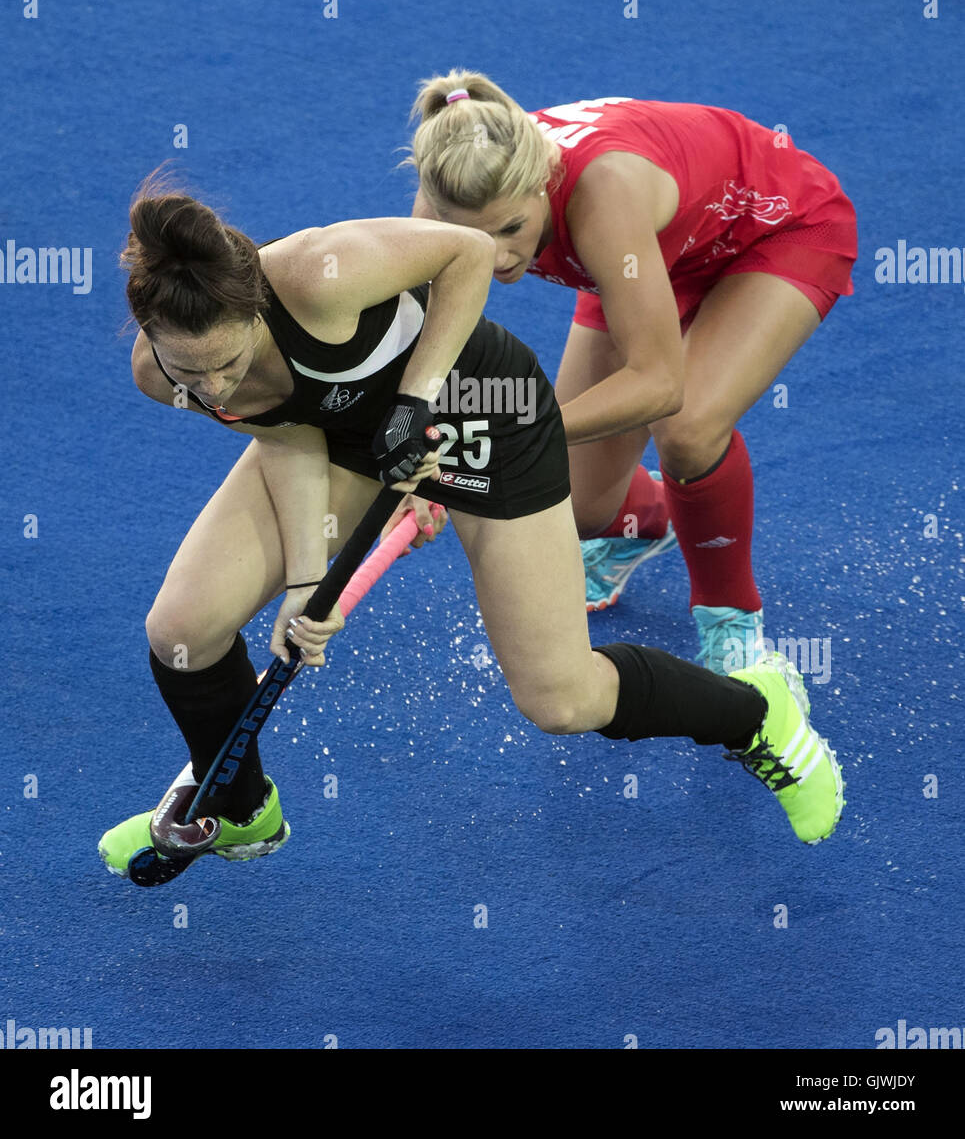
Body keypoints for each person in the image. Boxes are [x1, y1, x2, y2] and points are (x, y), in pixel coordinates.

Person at [98, 169, 844, 877]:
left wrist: (415, 399)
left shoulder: (323, 272)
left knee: (560, 699)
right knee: (185, 632)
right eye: (191, 372)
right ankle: (237, 808)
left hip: (483, 409)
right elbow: (287, 429)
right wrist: (306, 578)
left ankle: (755, 713)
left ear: (255, 308)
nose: (214, 384)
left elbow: (469, 251)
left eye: (227, 362)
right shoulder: (159, 375)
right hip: (344, 439)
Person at [405, 73, 858, 675]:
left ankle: (731, 622)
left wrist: (516, 435)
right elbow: (424, 349)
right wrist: (410, 450)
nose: (496, 257)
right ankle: (651, 519)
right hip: (642, 261)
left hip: (770, 230)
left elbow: (657, 384)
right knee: (581, 508)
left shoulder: (603, 195)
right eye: (473, 236)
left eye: (512, 229)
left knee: (689, 425)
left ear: (543, 182)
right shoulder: (446, 193)